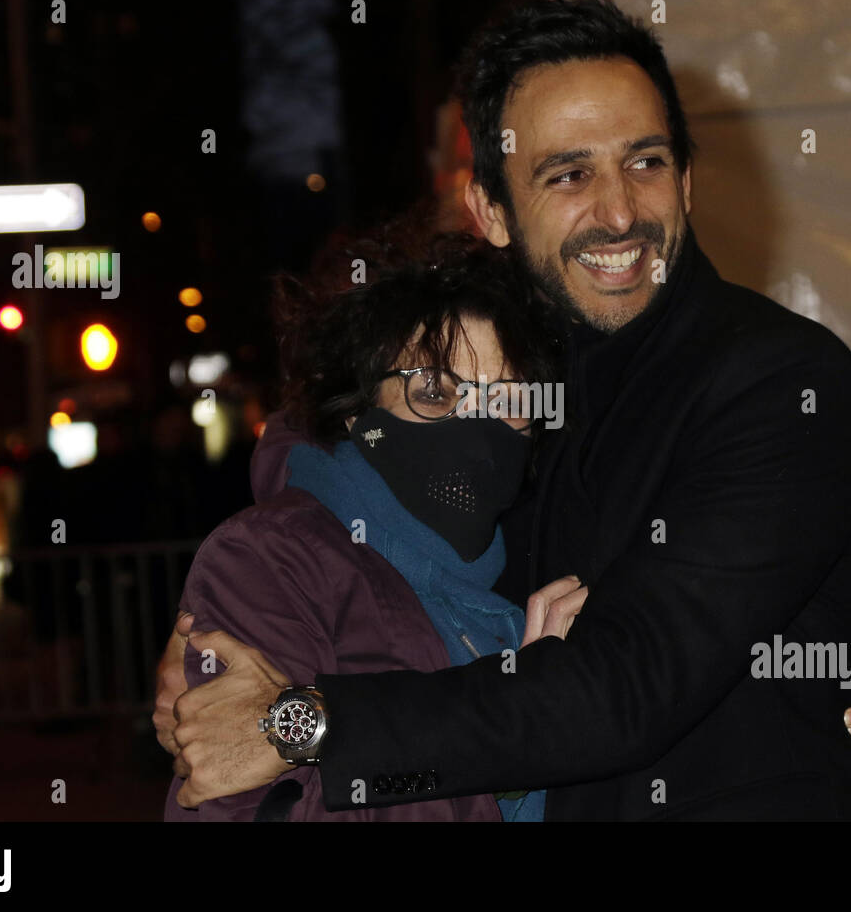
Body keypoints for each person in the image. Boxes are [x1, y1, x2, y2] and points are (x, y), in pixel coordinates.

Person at [159, 0, 851, 821]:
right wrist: (221, 668)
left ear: (687, 181)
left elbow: (625, 688)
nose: (619, 212)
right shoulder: (500, 402)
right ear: (490, 211)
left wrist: (300, 723)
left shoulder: (780, 385)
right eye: (569, 174)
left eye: (646, 163)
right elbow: (345, 471)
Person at [163, 236, 573, 820]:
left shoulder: (522, 576)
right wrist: (512, 738)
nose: (477, 424)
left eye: (506, 396)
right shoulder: (270, 561)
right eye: (434, 390)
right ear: (357, 412)